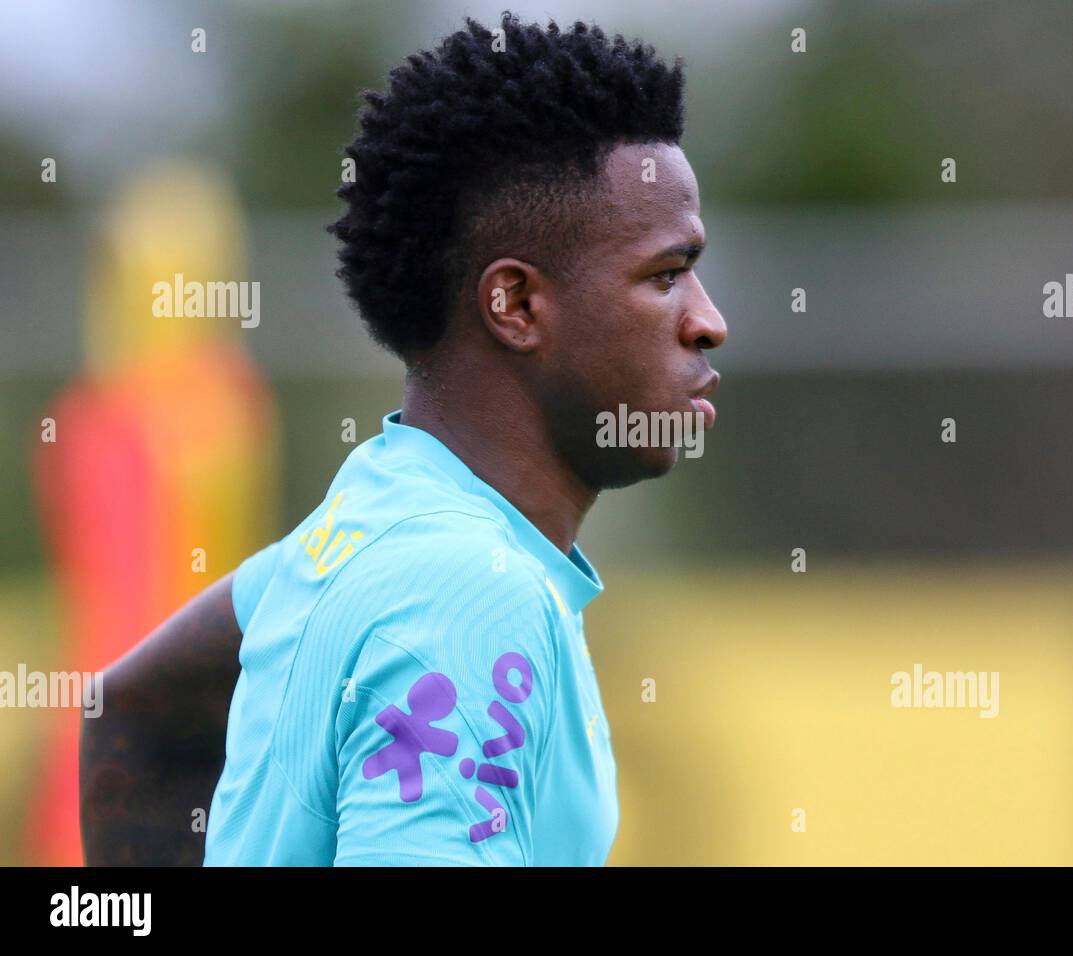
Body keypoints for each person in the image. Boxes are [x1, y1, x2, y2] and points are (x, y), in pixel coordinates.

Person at [80, 11, 727, 866]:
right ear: (516, 306)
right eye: (667, 276)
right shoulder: (469, 591)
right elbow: (131, 715)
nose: (709, 322)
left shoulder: (362, 519)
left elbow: (134, 716)